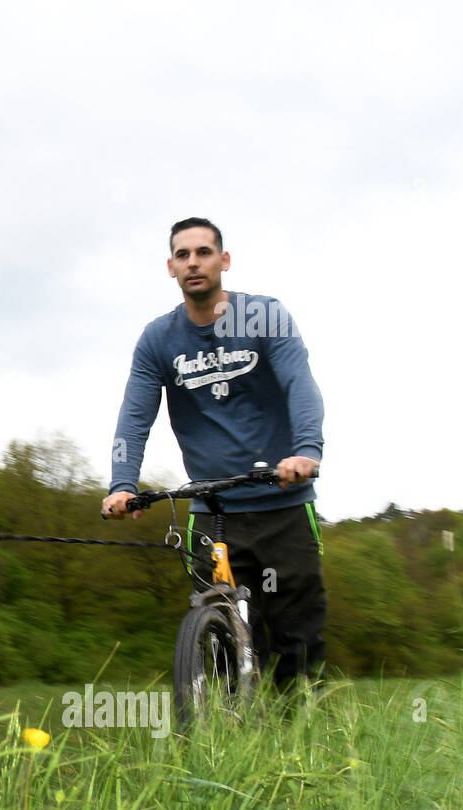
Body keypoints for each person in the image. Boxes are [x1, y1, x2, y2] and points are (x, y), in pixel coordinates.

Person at [101, 217, 326, 686]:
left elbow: (299, 383)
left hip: (281, 502)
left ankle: (304, 738)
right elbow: (135, 416)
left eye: (203, 252)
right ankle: (233, 737)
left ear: (224, 261)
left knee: (296, 638)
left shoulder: (264, 316)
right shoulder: (158, 340)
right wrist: (123, 484)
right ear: (170, 268)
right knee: (225, 637)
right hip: (212, 509)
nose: (193, 262)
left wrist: (306, 451)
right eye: (183, 255)